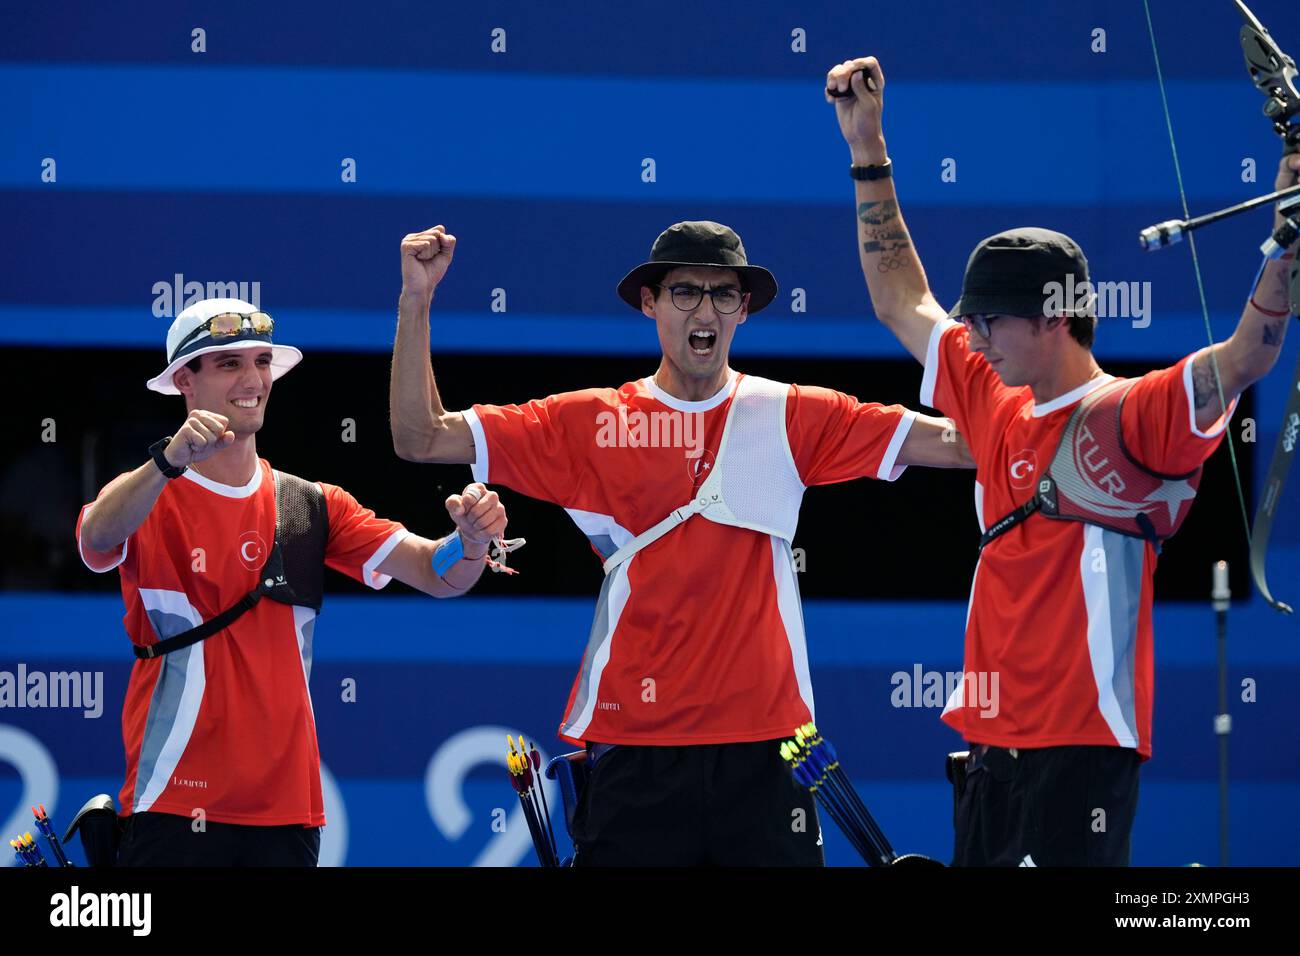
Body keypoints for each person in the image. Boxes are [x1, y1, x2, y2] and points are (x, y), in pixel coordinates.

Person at [827, 54, 1300, 865]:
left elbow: (1249, 354)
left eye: (990, 322)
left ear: (1055, 319)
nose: (970, 339)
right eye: (970, 322)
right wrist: (868, 145)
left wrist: (1288, 229)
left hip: (1081, 748)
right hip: (986, 745)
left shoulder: (1133, 412)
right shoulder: (992, 391)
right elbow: (899, 300)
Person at [389, 220, 974, 865]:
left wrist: (1052, 401)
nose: (705, 310)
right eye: (685, 292)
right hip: (634, 754)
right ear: (650, 303)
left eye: (724, 295)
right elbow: (421, 437)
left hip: (770, 752)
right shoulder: (592, 423)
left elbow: (959, 443)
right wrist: (417, 298)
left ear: (743, 310)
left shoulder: (790, 413)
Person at [75, 298, 510, 866]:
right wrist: (167, 460)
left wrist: (472, 542)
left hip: (290, 815)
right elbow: (95, 541)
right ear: (184, 379)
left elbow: (435, 572)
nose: (253, 379)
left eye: (261, 362)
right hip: (174, 804)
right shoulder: (147, 496)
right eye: (229, 364)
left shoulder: (312, 505)